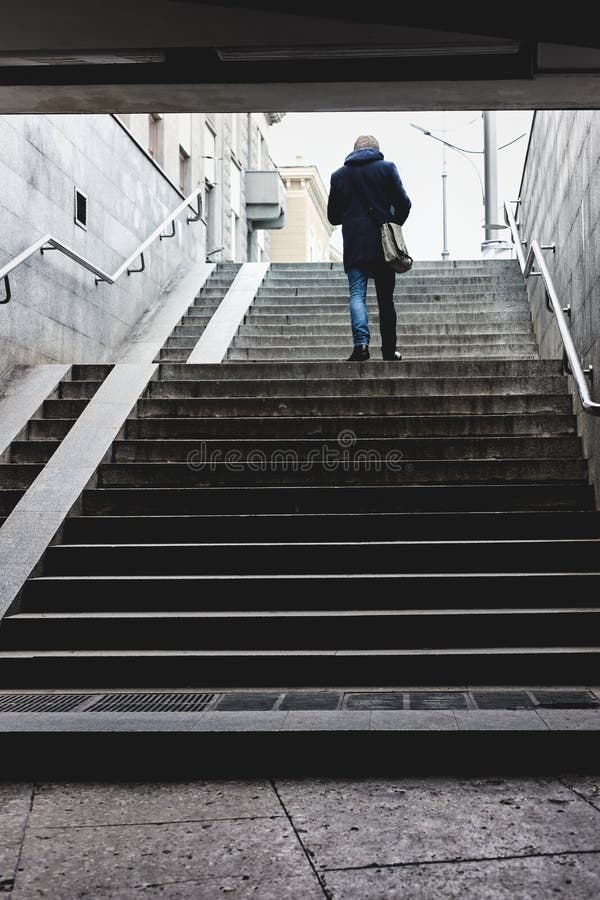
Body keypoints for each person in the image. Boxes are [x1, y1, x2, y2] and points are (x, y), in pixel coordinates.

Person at [327, 135, 411, 361]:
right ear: (376, 150)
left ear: (354, 150)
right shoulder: (386, 169)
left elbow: (333, 217)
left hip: (354, 245)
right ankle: (388, 351)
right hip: (383, 245)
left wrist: (351, 216)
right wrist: (392, 224)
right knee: (386, 299)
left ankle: (361, 345)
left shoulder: (339, 176)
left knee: (356, 294)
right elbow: (404, 204)